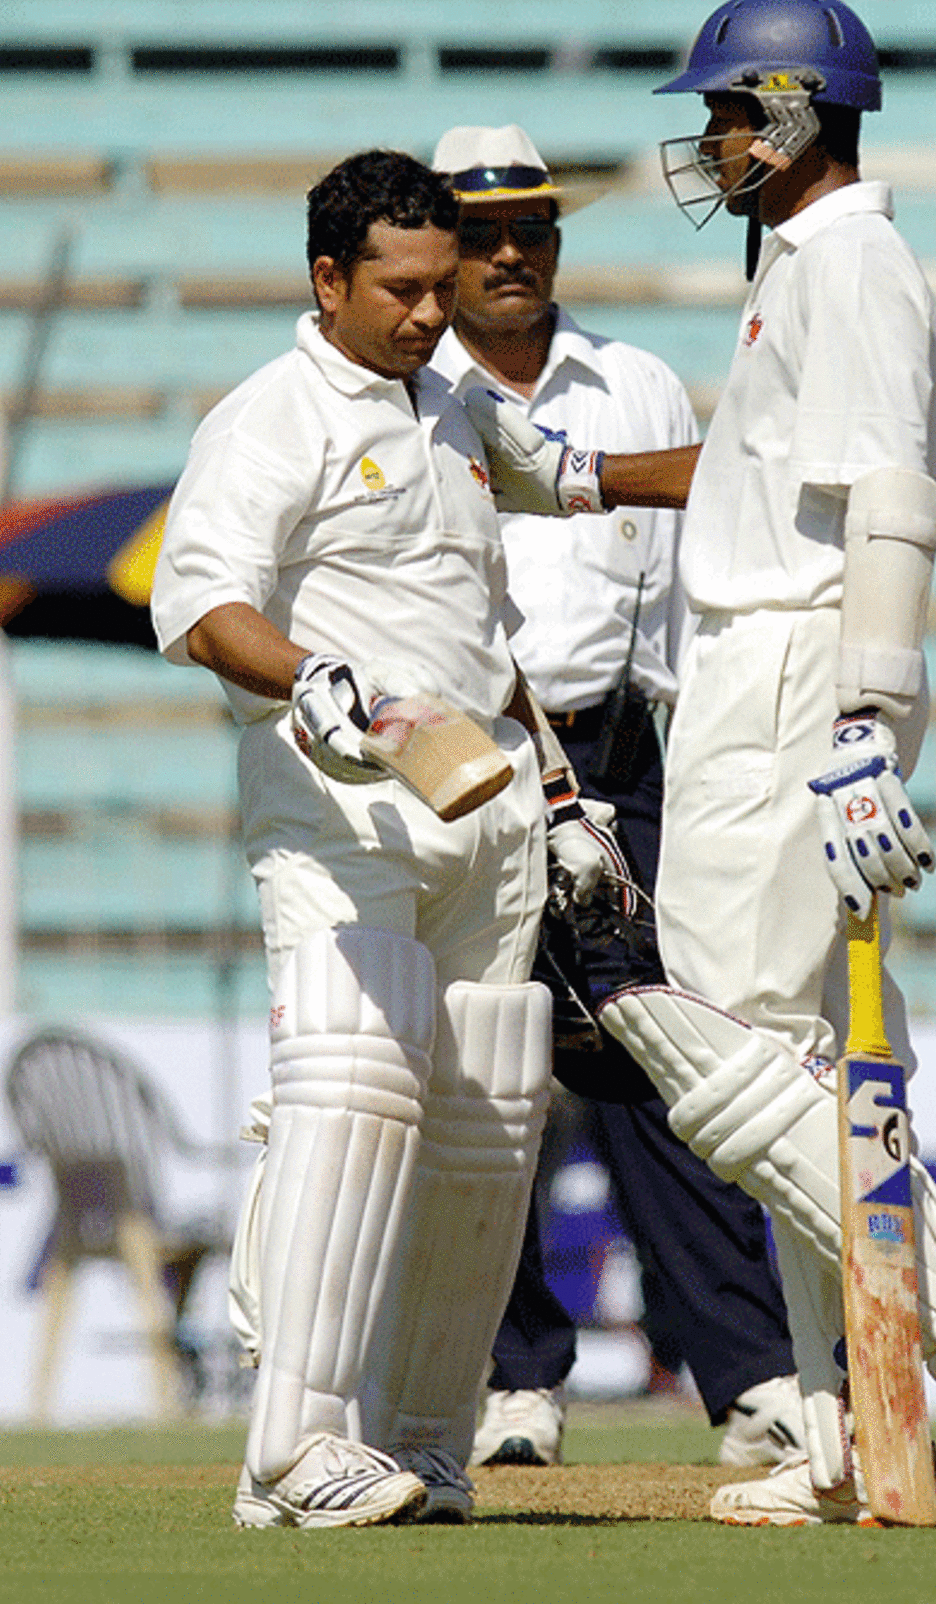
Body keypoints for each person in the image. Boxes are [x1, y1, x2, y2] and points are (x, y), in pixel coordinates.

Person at [464, 0, 936, 1529]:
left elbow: (891, 495)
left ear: (797, 111)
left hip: (799, 677)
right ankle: (845, 1424)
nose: (712, 145)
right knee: (800, 1065)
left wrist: (867, 721)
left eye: (726, 115)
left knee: (722, 1061)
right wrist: (577, 480)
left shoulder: (859, 266)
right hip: (759, 674)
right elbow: (763, 463)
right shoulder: (803, 270)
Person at [149, 149, 629, 1529]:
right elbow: (202, 605)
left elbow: (486, 626)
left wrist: (555, 790)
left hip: (485, 813)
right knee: (353, 1096)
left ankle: (421, 1441)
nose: (432, 312)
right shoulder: (269, 417)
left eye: (441, 287)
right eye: (404, 290)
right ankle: (290, 1448)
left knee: (487, 1112)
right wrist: (309, 675)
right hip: (344, 809)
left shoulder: (453, 412)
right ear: (329, 280)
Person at [429, 123, 806, 1472]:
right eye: (482, 233)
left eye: (532, 225)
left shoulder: (635, 380)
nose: (513, 251)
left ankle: (749, 1371)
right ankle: (510, 1379)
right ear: (440, 247)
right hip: (468, 767)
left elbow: (687, 584)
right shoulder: (416, 394)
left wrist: (695, 752)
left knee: (664, 1063)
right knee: (488, 1071)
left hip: (618, 753)